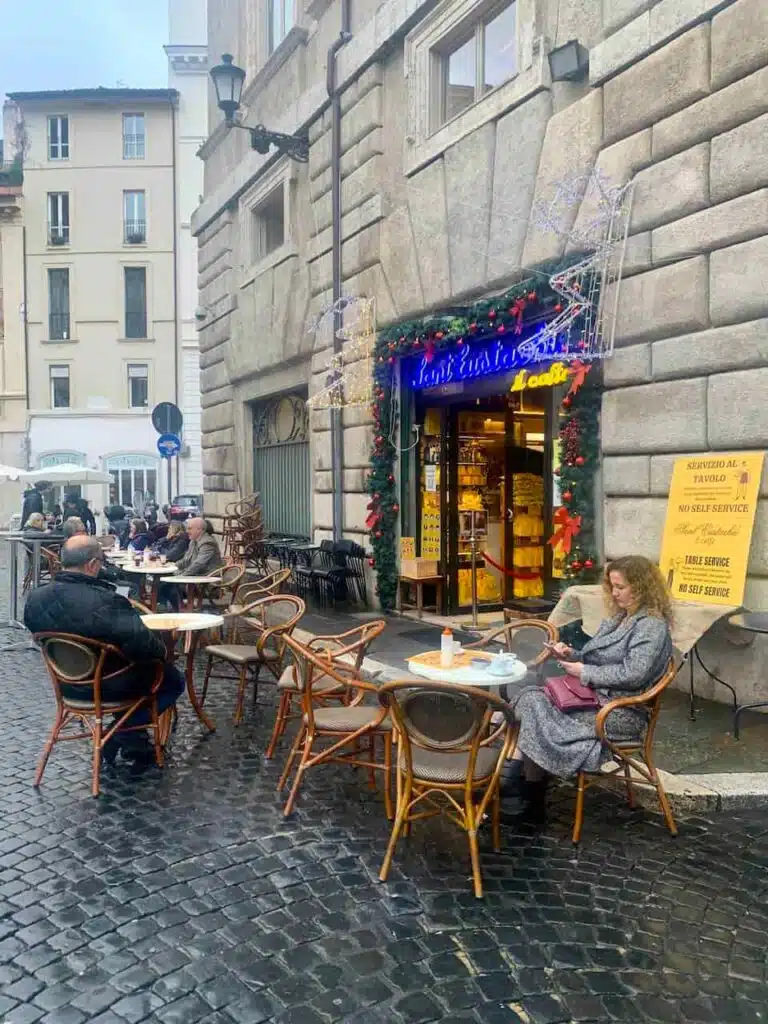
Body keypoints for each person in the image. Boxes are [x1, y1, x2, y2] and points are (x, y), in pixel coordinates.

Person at [507, 555, 673, 822]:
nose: (615, 593)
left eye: (621, 587)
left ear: (641, 587)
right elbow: (597, 656)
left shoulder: (651, 626)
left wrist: (585, 672)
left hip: (620, 711)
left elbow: (634, 674)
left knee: (531, 703)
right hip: (596, 698)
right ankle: (526, 792)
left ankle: (518, 784)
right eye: (612, 587)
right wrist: (571, 654)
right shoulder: (623, 617)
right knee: (530, 699)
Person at [24, 535, 185, 763]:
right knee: (171, 679)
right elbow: (146, 646)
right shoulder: (107, 601)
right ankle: (121, 733)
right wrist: (164, 650)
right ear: (92, 565)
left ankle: (135, 741)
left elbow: (39, 632)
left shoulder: (36, 598)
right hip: (109, 684)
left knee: (131, 666)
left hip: (68, 684)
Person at [160, 517, 222, 610]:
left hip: (205, 582)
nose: (187, 531)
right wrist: (172, 566)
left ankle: (181, 612)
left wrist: (181, 575)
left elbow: (199, 564)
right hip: (194, 578)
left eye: (189, 528)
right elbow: (186, 560)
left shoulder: (208, 542)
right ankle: (178, 610)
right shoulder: (193, 541)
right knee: (164, 585)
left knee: (169, 587)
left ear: (199, 529)